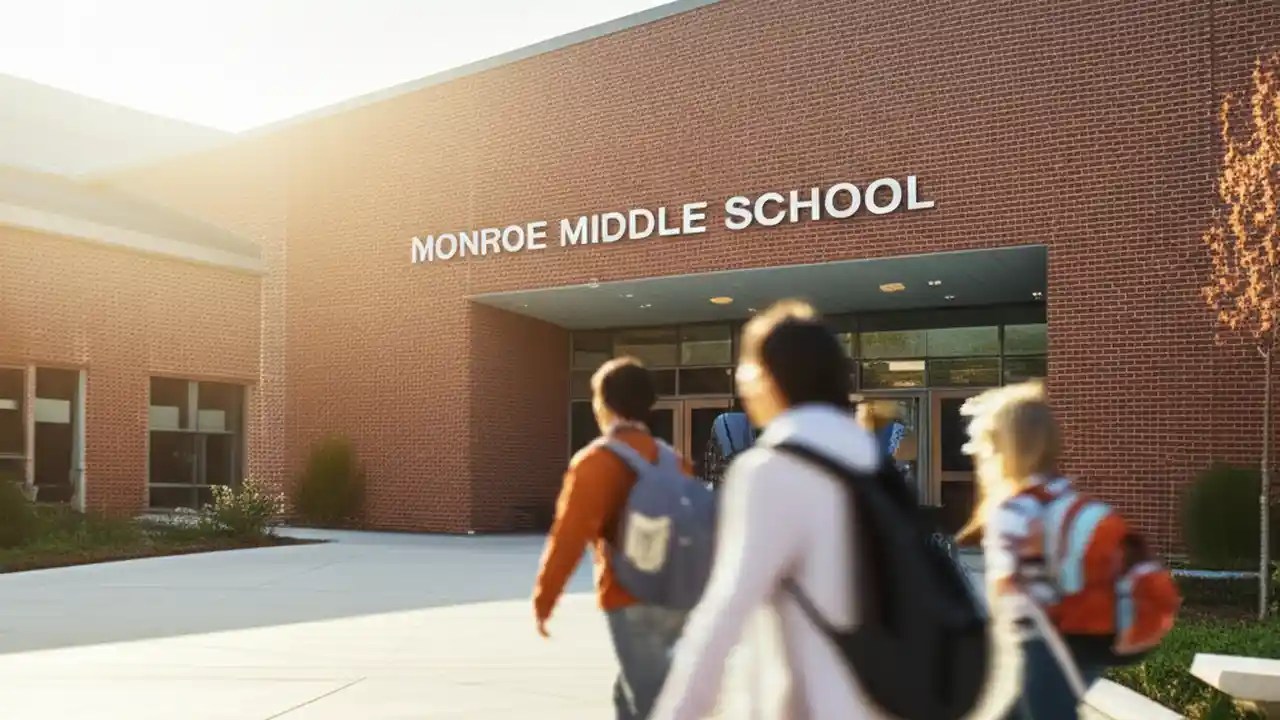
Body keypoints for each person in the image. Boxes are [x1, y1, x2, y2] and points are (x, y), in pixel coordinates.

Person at [651, 300, 887, 720]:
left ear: (770, 376)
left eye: (745, 368)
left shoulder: (772, 469)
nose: (741, 383)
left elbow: (725, 611)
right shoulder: (871, 459)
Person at [532, 356, 692, 720]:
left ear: (603, 403)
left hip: (628, 596)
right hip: (676, 598)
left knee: (652, 703)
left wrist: (545, 598)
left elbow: (568, 537)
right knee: (631, 693)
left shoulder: (595, 462)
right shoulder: (673, 460)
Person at [959, 382, 1106, 720]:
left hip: (1037, 646)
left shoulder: (1012, 509)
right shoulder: (1067, 496)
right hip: (1083, 642)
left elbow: (1007, 588)